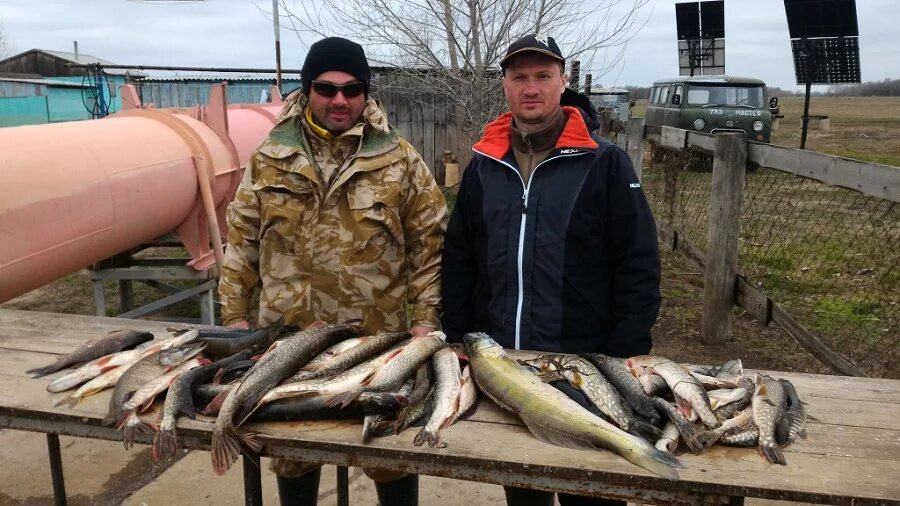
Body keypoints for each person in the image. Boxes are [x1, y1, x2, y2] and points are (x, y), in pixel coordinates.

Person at [218, 36, 447, 506]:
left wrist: (425, 325)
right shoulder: (269, 158)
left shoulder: (398, 159)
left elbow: (431, 245)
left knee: (389, 455)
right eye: (326, 88)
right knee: (293, 455)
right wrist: (236, 324)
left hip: (375, 348)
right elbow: (240, 244)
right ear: (306, 91)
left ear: (367, 93)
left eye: (352, 88)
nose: (340, 99)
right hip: (287, 348)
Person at [441, 34, 661, 506]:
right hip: (505, 362)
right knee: (523, 488)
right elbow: (460, 255)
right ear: (504, 85)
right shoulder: (485, 164)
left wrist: (626, 346)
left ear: (563, 82)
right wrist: (458, 334)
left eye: (543, 76)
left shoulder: (604, 163)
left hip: (584, 364)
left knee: (593, 488)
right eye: (520, 77)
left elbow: (638, 259)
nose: (531, 87)